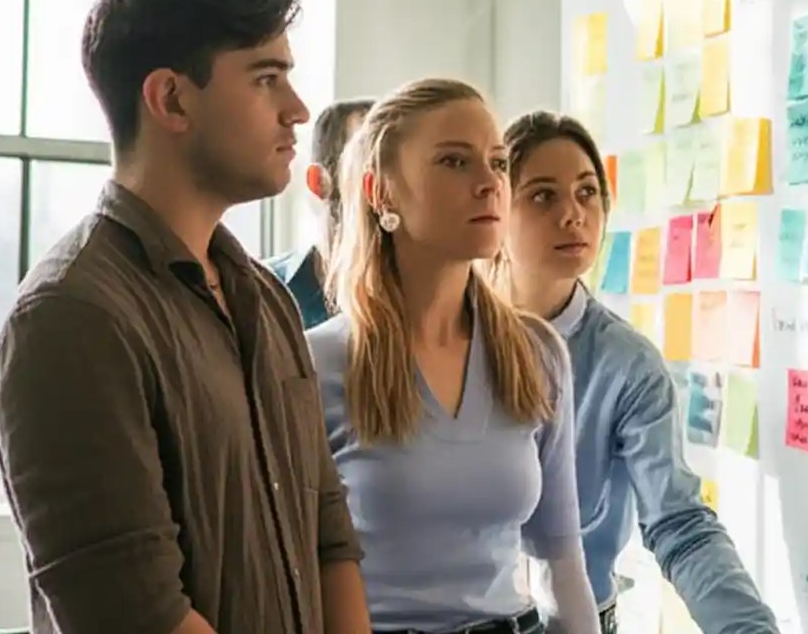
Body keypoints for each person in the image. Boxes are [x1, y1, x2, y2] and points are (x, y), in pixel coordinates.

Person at [0, 0, 370, 633]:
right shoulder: (71, 319)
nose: (298, 110)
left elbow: (329, 537)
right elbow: (138, 613)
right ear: (170, 98)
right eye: (266, 78)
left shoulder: (265, 299)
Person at [306, 79, 600, 634]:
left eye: (497, 163)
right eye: (454, 162)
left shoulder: (536, 353)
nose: (489, 184)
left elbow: (560, 561)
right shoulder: (317, 365)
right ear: (382, 194)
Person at [501, 111, 780, 634]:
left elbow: (680, 522)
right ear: (496, 208)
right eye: (543, 195)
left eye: (587, 193)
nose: (572, 215)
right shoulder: (451, 339)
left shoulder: (627, 364)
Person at [265, 97, 374, 329]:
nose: (384, 186)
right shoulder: (259, 291)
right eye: (369, 163)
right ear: (318, 182)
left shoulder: (437, 298)